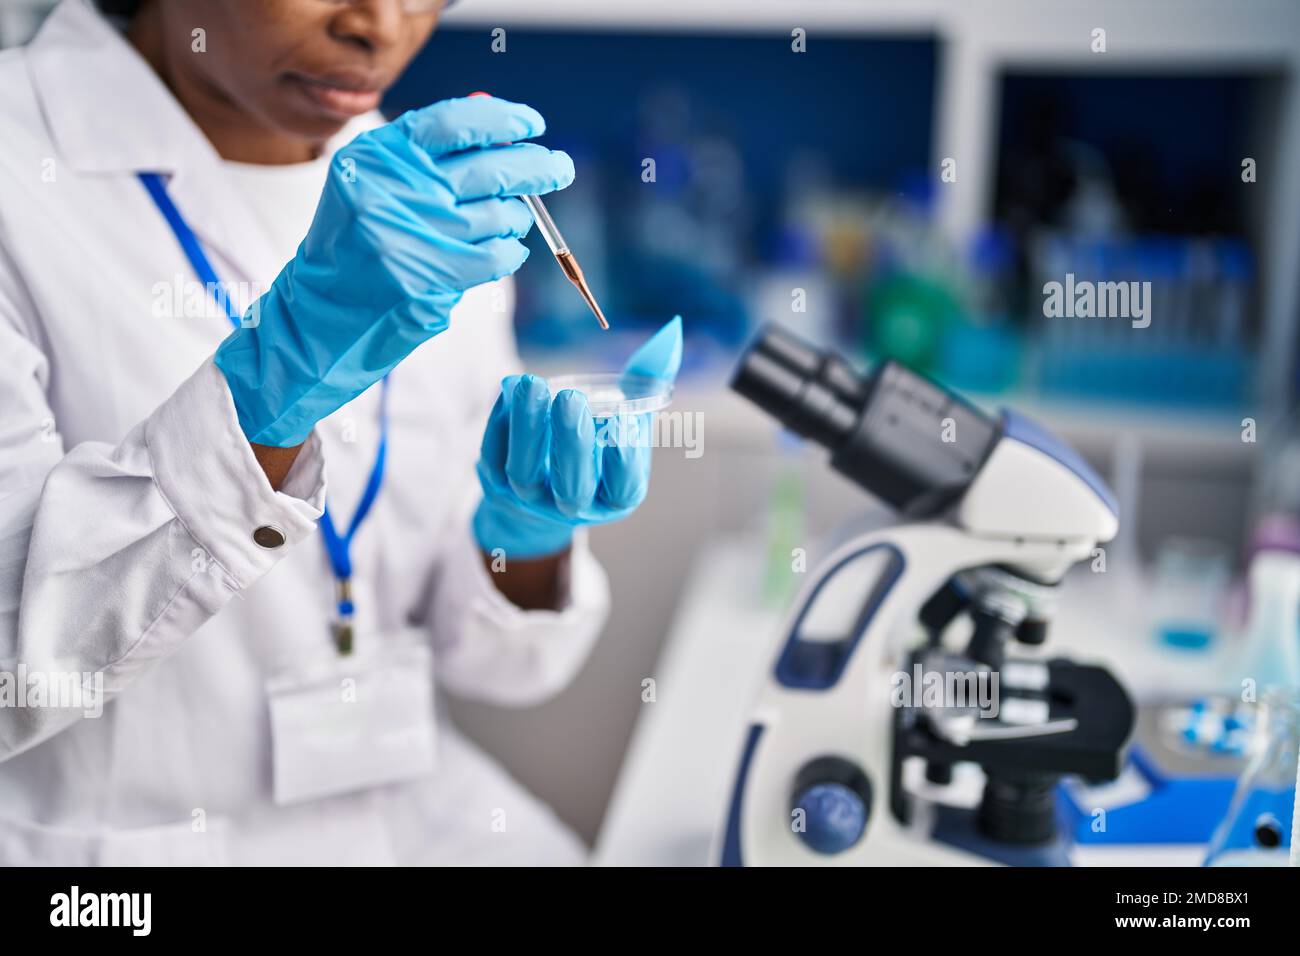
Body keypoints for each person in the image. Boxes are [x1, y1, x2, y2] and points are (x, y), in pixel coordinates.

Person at [0, 0, 680, 865]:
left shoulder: (424, 188)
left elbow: (489, 665)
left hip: (407, 820)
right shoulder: (17, 174)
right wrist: (272, 381)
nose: (382, 27)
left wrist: (523, 538)